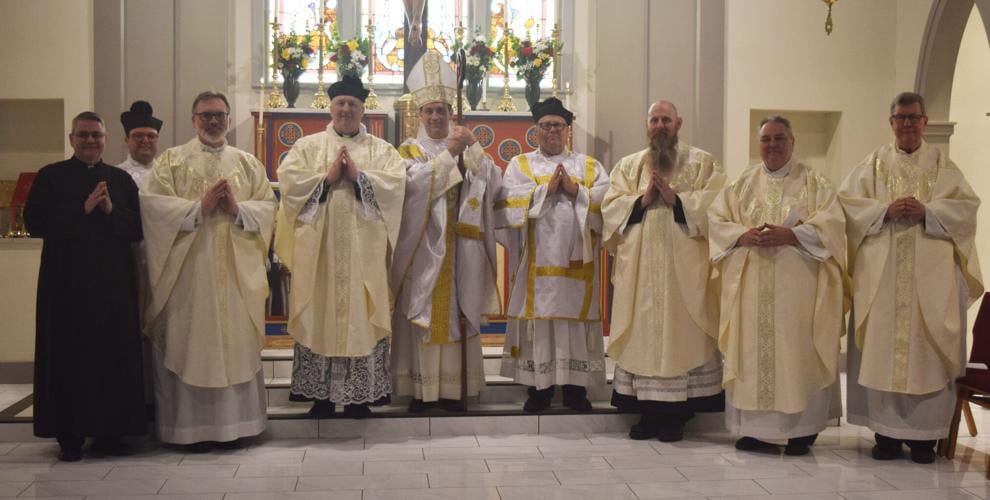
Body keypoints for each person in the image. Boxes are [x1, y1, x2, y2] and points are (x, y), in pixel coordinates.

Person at [839, 92, 983, 464]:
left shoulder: (943, 166)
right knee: (883, 353)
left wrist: (928, 211)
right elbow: (847, 206)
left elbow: (967, 211)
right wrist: (884, 210)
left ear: (925, 122)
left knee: (927, 354)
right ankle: (885, 435)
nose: (906, 124)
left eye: (913, 118)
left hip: (930, 282)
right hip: (883, 280)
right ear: (891, 123)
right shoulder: (872, 164)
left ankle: (924, 439)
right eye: (900, 118)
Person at [141, 91, 275, 452]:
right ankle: (188, 430)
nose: (213, 121)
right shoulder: (171, 161)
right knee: (190, 341)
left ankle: (240, 425)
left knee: (235, 343)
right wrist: (197, 209)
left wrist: (237, 209)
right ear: (193, 119)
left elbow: (268, 208)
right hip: (189, 277)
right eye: (205, 115)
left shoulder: (248, 164)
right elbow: (154, 209)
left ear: (229, 120)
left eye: (219, 115)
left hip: (236, 276)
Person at [708, 116, 846, 456]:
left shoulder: (815, 183)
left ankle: (800, 431)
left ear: (793, 142)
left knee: (795, 355)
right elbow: (716, 220)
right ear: (759, 144)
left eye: (779, 139)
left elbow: (834, 227)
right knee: (752, 354)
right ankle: (754, 432)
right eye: (766, 139)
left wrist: (793, 234)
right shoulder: (742, 183)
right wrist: (742, 234)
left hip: (797, 292)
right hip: (751, 288)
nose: (773, 145)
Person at [274, 75, 406, 419]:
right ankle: (321, 397)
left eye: (353, 104)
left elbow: (395, 189)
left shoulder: (381, 150)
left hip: (364, 254)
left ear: (363, 109)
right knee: (319, 313)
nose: (346, 109)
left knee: (361, 316)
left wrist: (360, 177)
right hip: (320, 255)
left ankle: (360, 398)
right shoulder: (307, 146)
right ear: (330, 107)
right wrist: (327, 179)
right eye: (341, 103)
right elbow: (289, 186)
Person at [24, 111, 146, 461]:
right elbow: (34, 222)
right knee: (67, 354)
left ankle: (110, 432)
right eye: (83, 135)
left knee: (112, 353)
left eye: (96, 135)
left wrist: (109, 210)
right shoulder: (51, 177)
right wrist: (83, 208)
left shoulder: (121, 180)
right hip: (65, 287)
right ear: (71, 139)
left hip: (112, 287)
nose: (90, 141)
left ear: (106, 140)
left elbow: (138, 228)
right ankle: (70, 435)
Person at [602, 100, 726, 442]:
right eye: (654, 119)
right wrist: (640, 201)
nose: (660, 125)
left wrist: (678, 200)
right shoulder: (629, 166)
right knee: (644, 337)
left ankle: (677, 417)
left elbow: (719, 205)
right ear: (646, 125)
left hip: (684, 274)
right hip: (640, 274)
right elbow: (609, 208)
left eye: (666, 119)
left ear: (679, 123)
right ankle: (645, 415)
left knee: (679, 336)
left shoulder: (702, 162)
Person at [390, 50, 502, 412]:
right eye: (429, 111)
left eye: (442, 110)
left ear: (450, 113)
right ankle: (421, 393)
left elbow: (491, 182)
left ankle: (455, 391)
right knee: (422, 316)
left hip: (460, 245)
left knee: (459, 313)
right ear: (419, 116)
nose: (436, 116)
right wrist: (447, 154)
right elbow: (409, 188)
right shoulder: (407, 150)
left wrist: (471, 148)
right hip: (423, 248)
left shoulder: (467, 145)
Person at [496, 97, 609, 412]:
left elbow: (608, 204)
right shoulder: (521, 164)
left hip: (577, 268)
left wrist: (575, 191)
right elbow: (506, 204)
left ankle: (576, 391)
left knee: (573, 323)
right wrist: (544, 190)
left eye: (557, 125)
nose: (551, 132)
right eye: (545, 126)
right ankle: (539, 391)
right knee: (541, 324)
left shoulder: (588, 166)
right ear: (536, 130)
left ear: (567, 129)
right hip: (537, 265)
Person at [117, 100, 162, 187]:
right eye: (138, 136)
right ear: (127, 140)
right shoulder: (117, 175)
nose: (145, 140)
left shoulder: (168, 173)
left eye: (151, 136)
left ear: (157, 139)